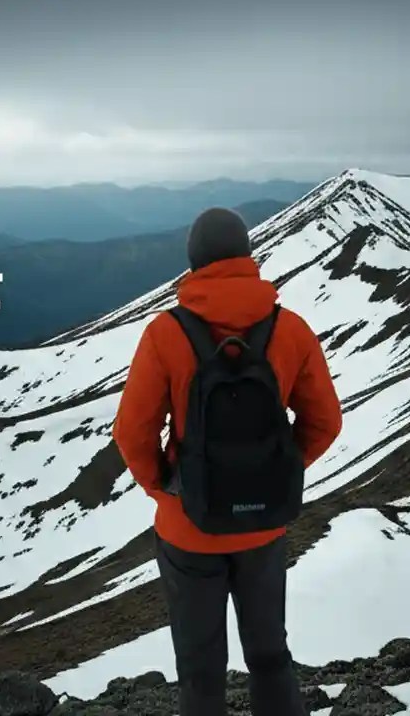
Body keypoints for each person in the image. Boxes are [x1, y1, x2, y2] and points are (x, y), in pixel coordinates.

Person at [113, 206, 344, 716]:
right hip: (263, 526)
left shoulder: (165, 334)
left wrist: (166, 488)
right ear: (247, 256)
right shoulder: (291, 330)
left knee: (200, 672)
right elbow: (326, 421)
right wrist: (277, 470)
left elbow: (131, 433)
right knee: (270, 657)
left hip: (189, 530)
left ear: (194, 263)